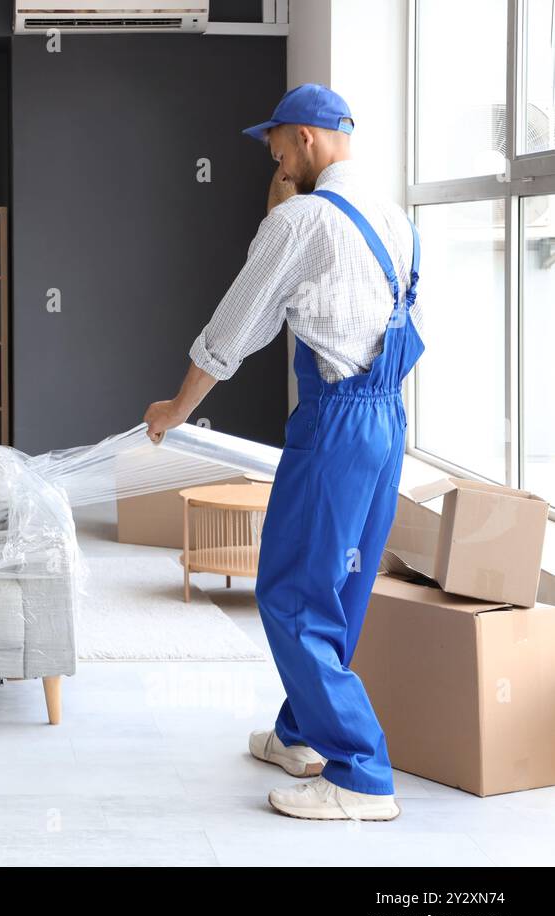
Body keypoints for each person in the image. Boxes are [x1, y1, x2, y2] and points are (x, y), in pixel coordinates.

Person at [142, 84, 425, 821]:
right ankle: (302, 733)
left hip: (334, 425)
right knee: (339, 586)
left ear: (302, 137)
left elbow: (234, 327)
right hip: (387, 421)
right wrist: (286, 193)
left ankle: (361, 772)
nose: (271, 159)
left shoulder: (300, 220)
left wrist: (176, 410)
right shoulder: (393, 217)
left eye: (275, 147)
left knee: (292, 590)